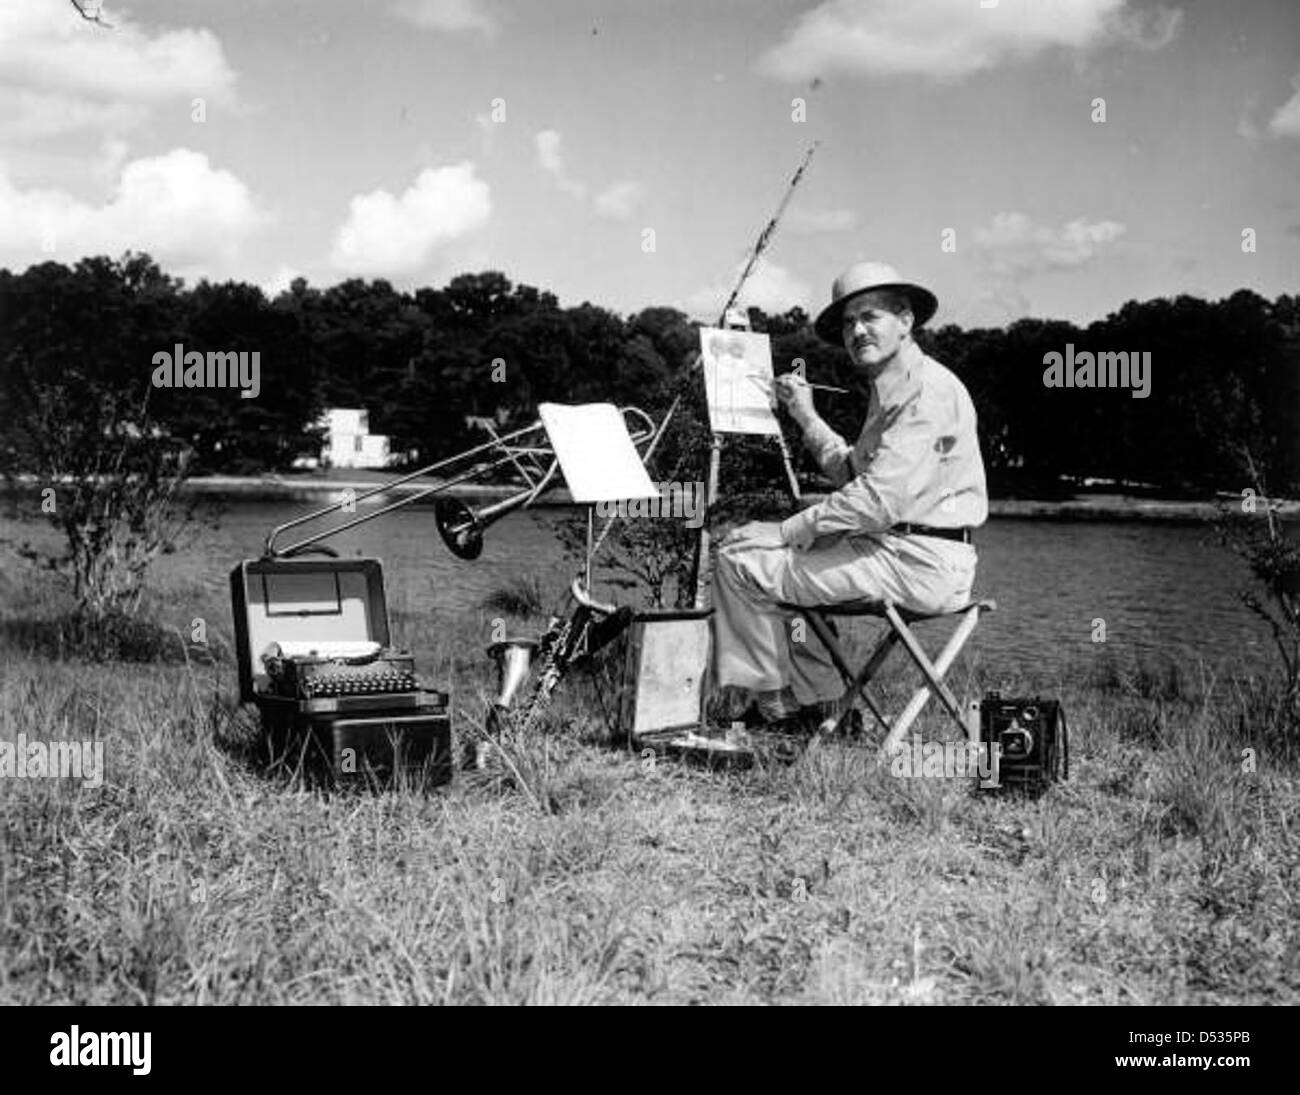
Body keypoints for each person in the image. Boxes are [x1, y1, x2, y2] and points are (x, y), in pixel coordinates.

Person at [711, 261, 988, 729]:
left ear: (906, 321)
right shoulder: (892, 390)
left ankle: (778, 706)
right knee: (757, 551)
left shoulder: (925, 392)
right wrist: (804, 415)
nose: (857, 330)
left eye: (869, 316)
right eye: (847, 323)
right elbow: (852, 472)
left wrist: (786, 531)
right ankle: (825, 705)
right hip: (899, 549)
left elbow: (878, 499)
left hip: (917, 562)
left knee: (739, 561)